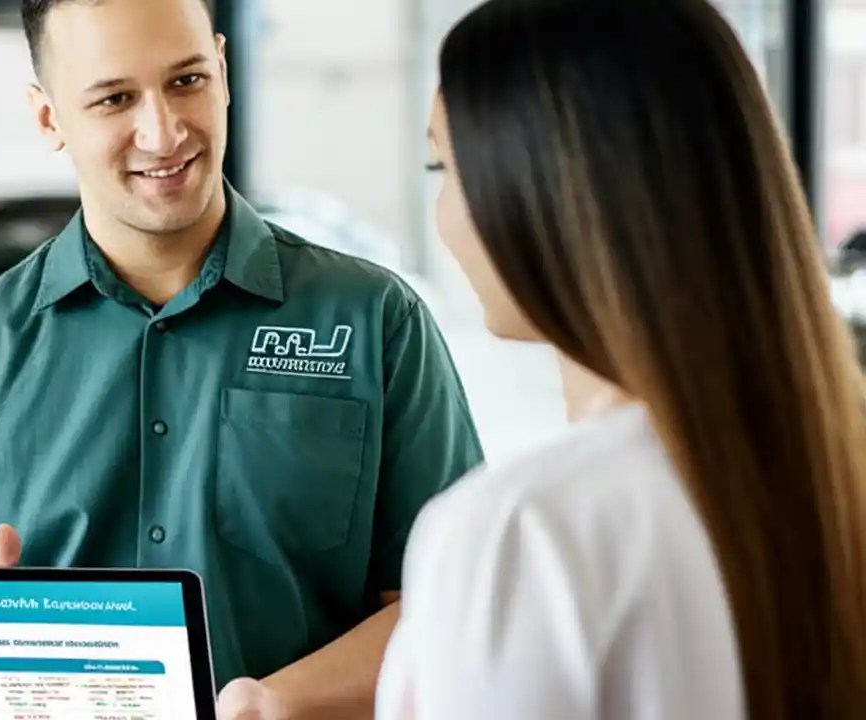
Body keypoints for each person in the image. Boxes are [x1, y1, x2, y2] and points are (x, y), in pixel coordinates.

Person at [0, 0, 484, 716]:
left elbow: (454, 611)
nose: (163, 132)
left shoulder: (374, 321)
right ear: (49, 119)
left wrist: (276, 703)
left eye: (187, 81)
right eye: (115, 99)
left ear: (223, 72)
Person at [367, 0, 866, 718]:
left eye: (442, 163)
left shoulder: (521, 530)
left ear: (541, 187)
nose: (444, 210)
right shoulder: (827, 475)